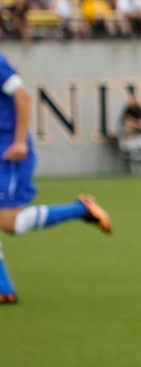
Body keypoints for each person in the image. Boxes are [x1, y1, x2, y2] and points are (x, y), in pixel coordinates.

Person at [0, 50, 113, 302]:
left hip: (8, 153)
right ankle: (4, 289)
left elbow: (23, 94)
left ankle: (81, 209)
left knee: (10, 223)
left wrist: (19, 141)